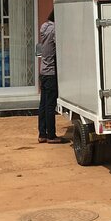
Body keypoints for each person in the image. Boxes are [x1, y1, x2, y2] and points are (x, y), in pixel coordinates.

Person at [37, 9, 65, 143]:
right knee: (50, 105)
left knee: (43, 104)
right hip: (51, 73)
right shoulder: (54, 31)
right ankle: (51, 136)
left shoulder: (45, 28)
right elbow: (62, 46)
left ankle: (42, 134)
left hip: (43, 72)